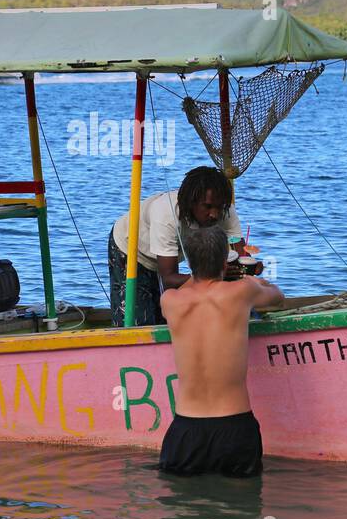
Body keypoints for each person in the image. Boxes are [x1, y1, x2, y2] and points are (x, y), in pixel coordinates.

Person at [157, 224, 284, 477]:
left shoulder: (169, 301)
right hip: (234, 426)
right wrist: (253, 279)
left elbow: (193, 287)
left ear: (190, 263)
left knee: (184, 511)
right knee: (241, 512)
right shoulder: (241, 291)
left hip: (185, 430)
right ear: (225, 263)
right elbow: (277, 297)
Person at [108, 166, 246, 326]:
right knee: (138, 321)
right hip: (130, 249)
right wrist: (213, 276)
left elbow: (241, 254)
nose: (214, 214)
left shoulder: (226, 211)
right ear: (191, 203)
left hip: (166, 256)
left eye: (219, 207)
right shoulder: (166, 215)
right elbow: (169, 279)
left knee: (164, 315)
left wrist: (247, 268)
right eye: (207, 207)